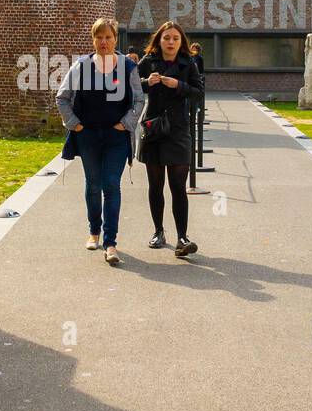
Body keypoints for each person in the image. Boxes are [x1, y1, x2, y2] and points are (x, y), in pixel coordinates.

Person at [56, 18, 144, 265]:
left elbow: (139, 100)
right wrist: (75, 123)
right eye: (99, 37)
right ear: (93, 39)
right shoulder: (81, 66)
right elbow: (62, 97)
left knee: (111, 185)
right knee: (93, 184)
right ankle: (94, 230)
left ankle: (111, 243)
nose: (103, 42)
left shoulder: (127, 66)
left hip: (116, 136)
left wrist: (125, 123)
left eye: (108, 37)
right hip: (88, 136)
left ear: (115, 39)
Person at [137, 20, 204, 257]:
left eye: (175, 38)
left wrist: (179, 85)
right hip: (154, 128)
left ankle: (182, 238)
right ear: (159, 40)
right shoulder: (148, 61)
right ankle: (158, 231)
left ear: (181, 42)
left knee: (178, 186)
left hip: (177, 130)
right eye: (166, 38)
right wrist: (147, 82)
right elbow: (132, 87)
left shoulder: (189, 63)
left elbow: (198, 93)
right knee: (156, 185)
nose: (171, 42)